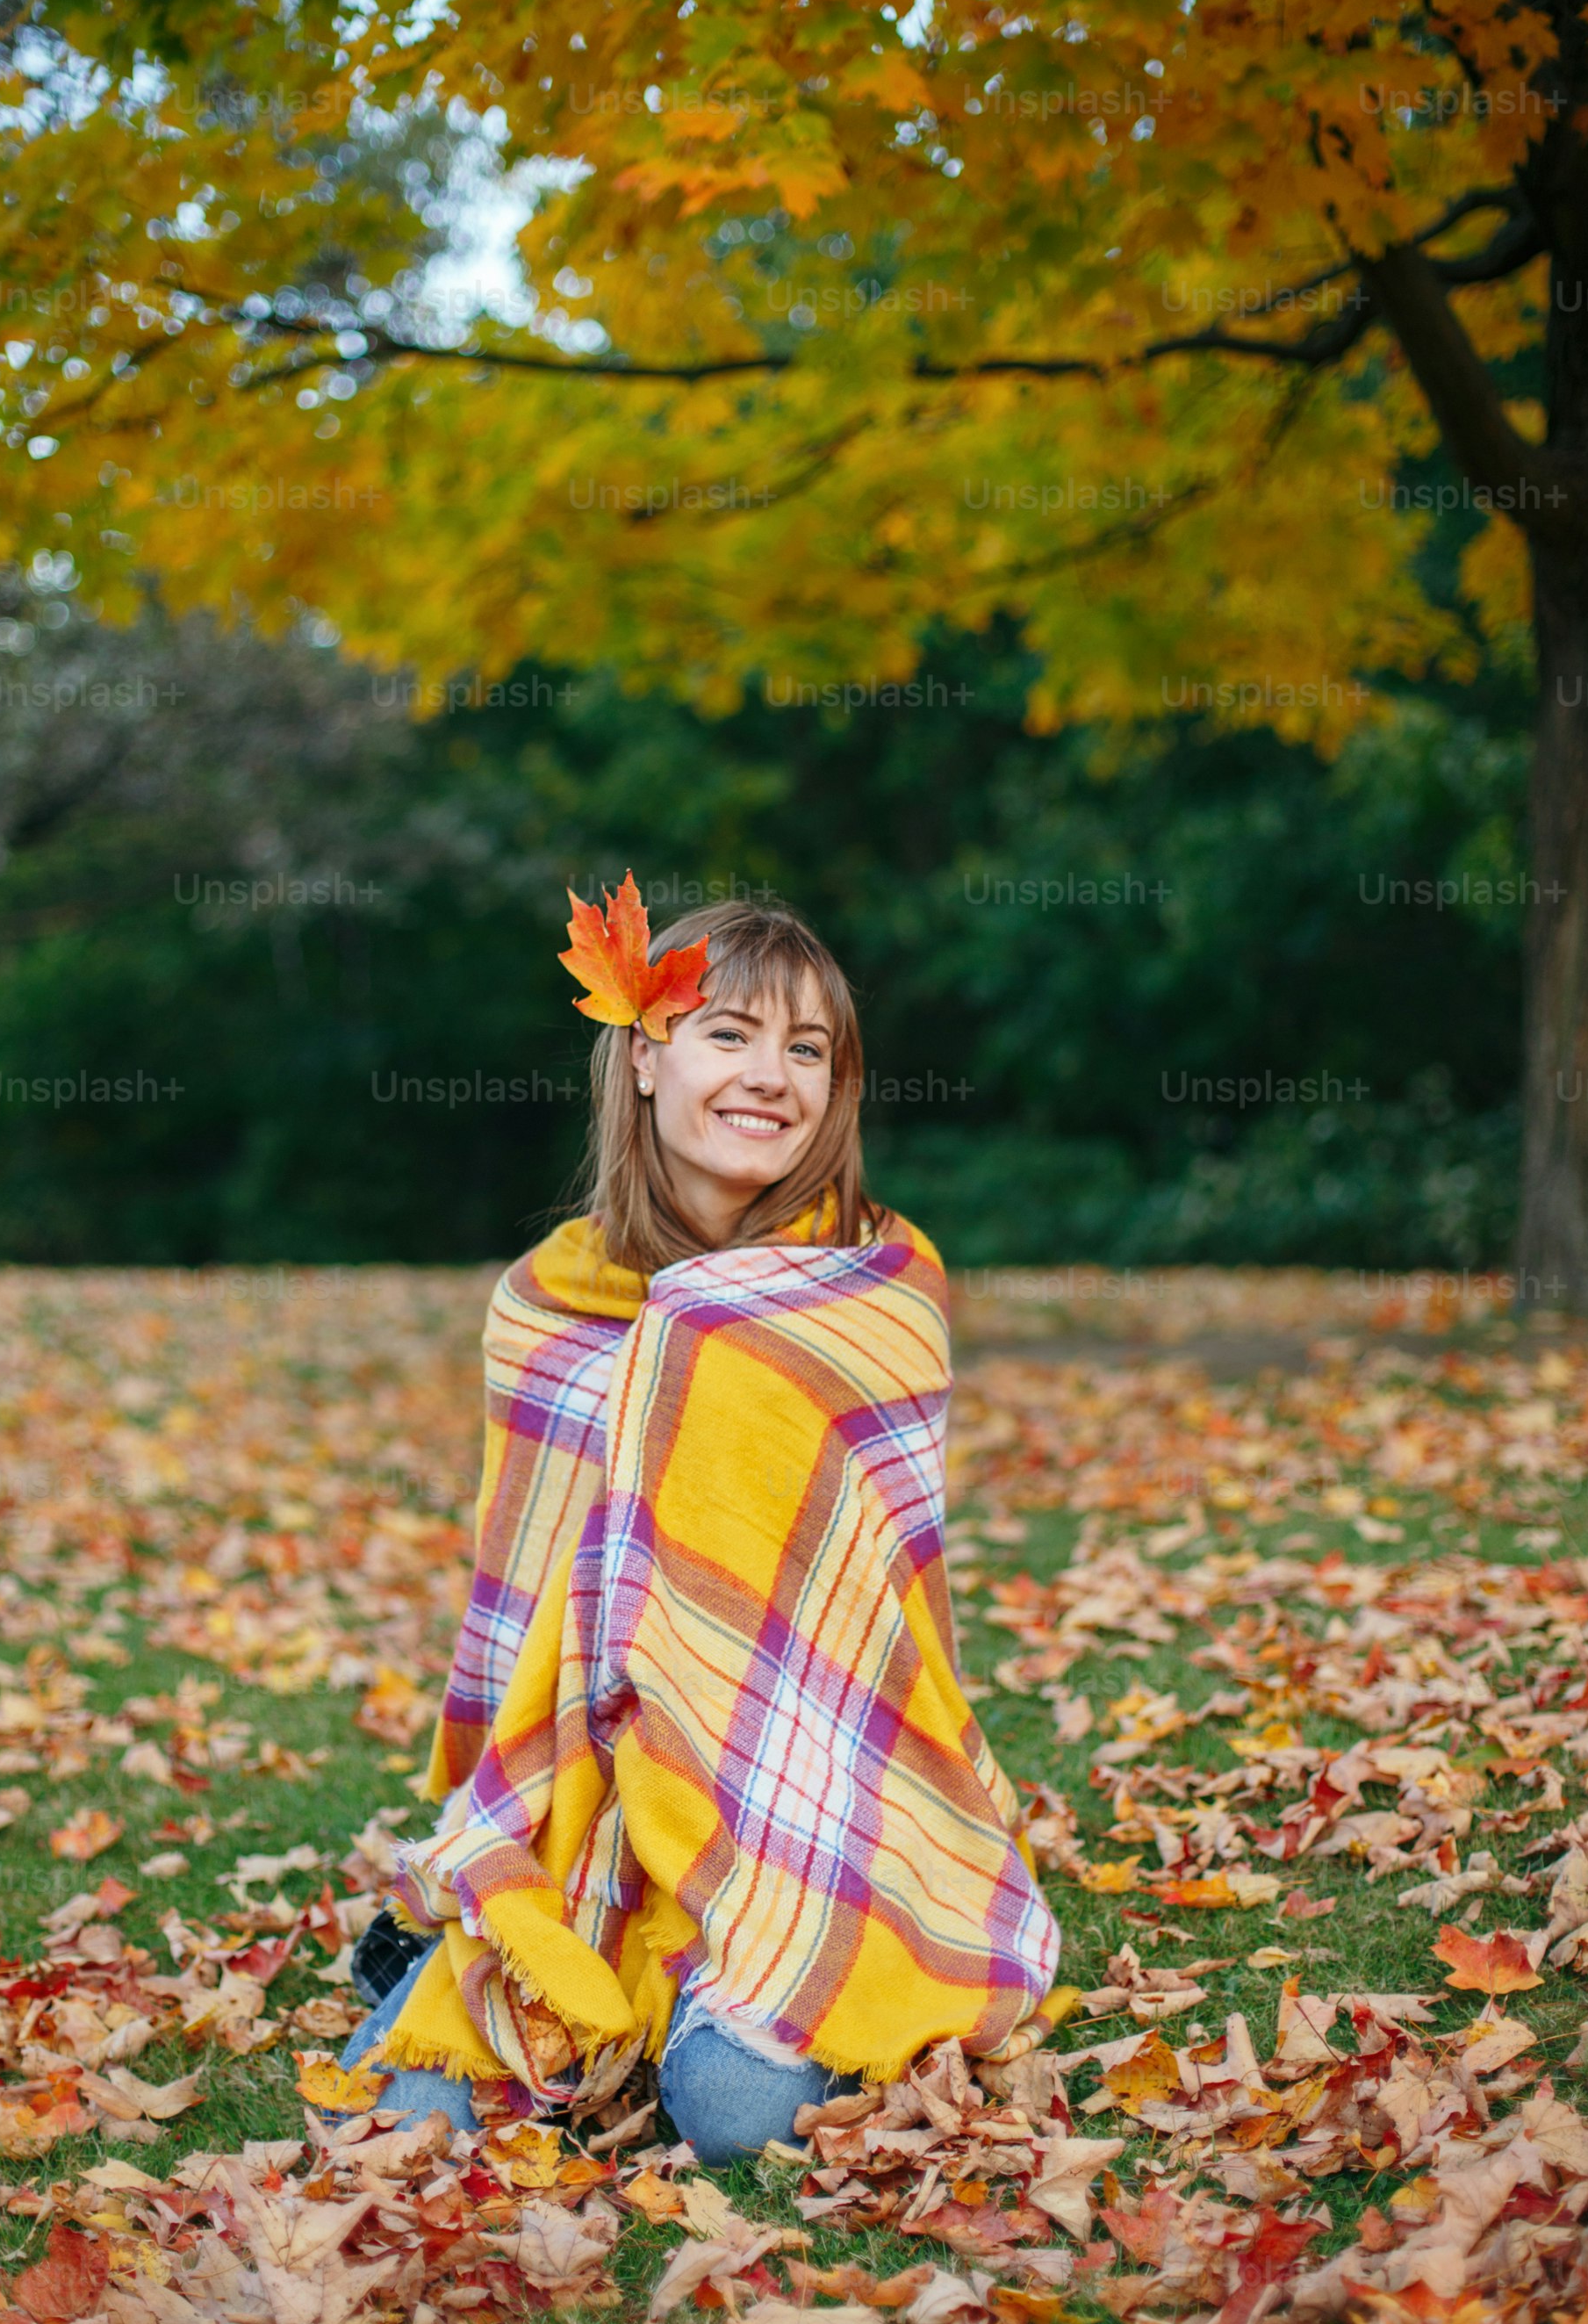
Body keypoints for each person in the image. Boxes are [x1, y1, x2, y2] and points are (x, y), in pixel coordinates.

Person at [334, 883, 1063, 2162]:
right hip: (591, 1796)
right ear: (645, 1055)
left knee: (733, 2121)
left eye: (808, 1049)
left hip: (827, 1791)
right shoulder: (548, 1300)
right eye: (730, 1034)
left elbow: (875, 1618)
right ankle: (495, 1941)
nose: (771, 1076)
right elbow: (523, 1610)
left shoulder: (881, 1284)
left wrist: (692, 1335)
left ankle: (696, 1996)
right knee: (412, 2124)